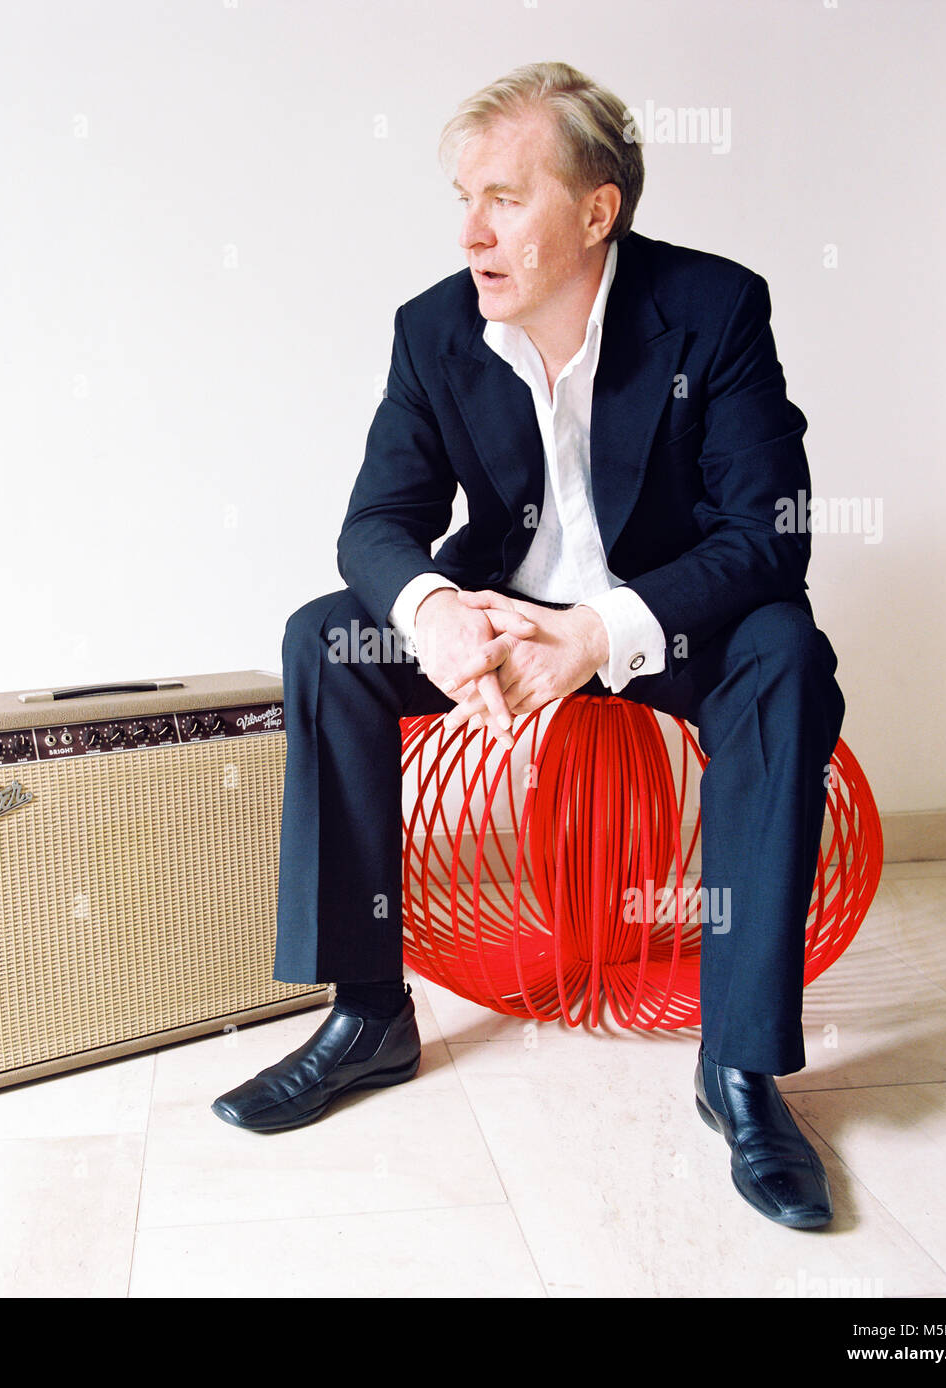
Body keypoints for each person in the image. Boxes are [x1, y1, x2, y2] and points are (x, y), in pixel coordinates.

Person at [212, 61, 845, 1230]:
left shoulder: (715, 309)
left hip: (670, 623)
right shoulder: (434, 328)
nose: (471, 231)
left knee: (787, 655)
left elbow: (766, 536)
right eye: (464, 197)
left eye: (504, 197)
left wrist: (599, 633)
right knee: (326, 639)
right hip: (500, 609)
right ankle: (367, 1014)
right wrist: (435, 613)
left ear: (595, 211)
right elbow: (376, 524)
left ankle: (740, 1068)